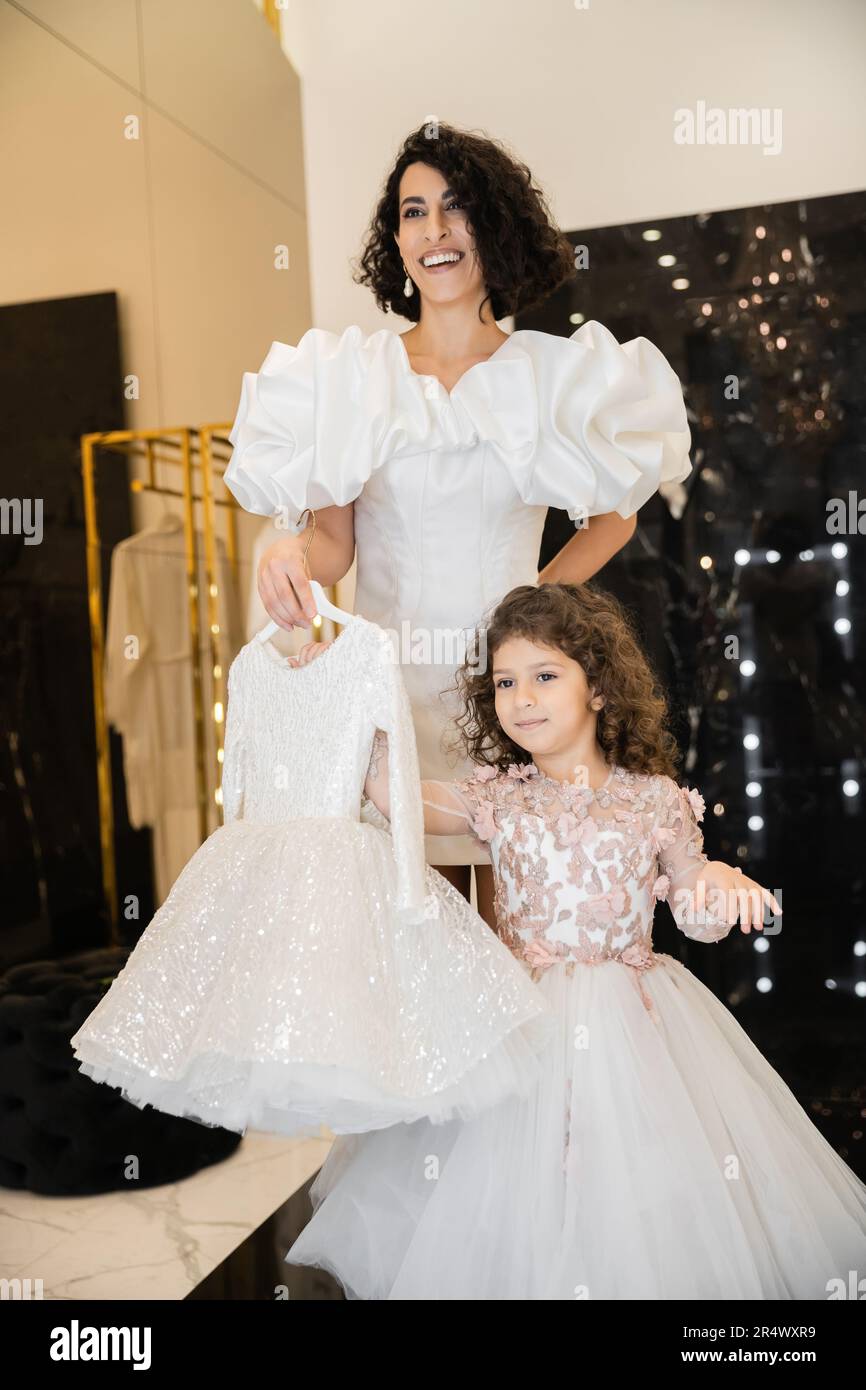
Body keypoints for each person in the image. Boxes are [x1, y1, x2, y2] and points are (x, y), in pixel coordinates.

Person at [283, 583, 866, 1300]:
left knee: (630, 1187)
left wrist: (718, 883)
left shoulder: (653, 799)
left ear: (598, 688)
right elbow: (395, 794)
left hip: (635, 1026)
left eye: (545, 675)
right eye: (504, 682)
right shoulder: (498, 797)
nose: (521, 697)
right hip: (521, 1017)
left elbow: (691, 901)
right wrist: (342, 698)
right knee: (514, 1186)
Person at [224, 121, 693, 931]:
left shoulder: (553, 377)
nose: (433, 232)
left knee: (518, 951)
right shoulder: (351, 378)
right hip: (385, 699)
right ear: (395, 240)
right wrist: (287, 550)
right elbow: (331, 542)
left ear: (494, 227)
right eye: (413, 212)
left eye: (455, 208)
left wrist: (534, 605)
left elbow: (618, 517)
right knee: (409, 955)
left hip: (511, 698)